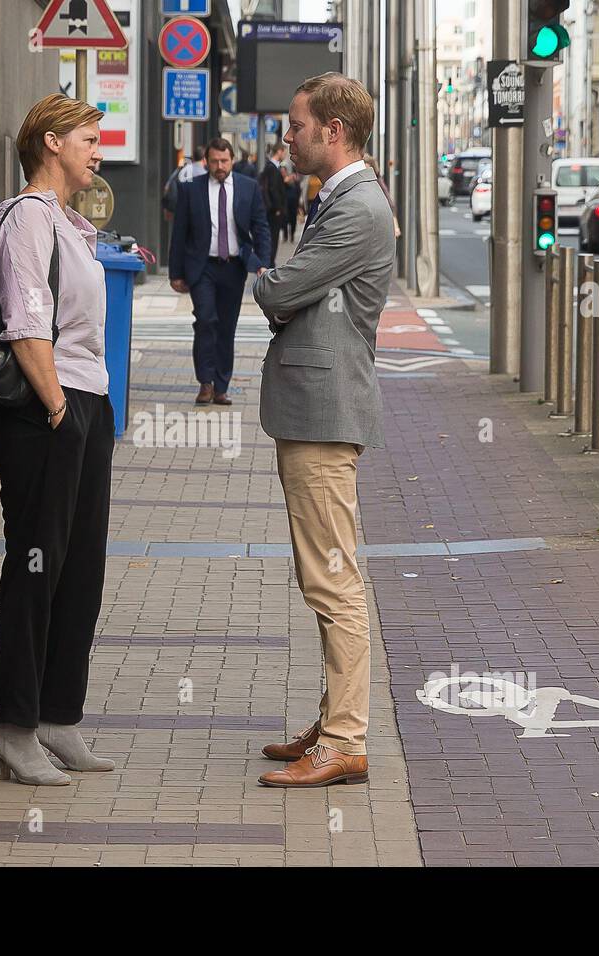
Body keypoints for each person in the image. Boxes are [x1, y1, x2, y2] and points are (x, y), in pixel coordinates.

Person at [252, 73, 394, 789]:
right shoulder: (337, 197)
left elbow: (281, 289)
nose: (288, 135)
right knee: (323, 574)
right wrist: (291, 293)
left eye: (297, 125)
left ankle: (344, 739)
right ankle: (334, 718)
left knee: (333, 579)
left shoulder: (358, 207)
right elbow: (299, 292)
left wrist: (269, 288)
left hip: (324, 408)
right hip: (314, 403)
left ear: (333, 130)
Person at [0, 93, 116, 786]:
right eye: (89, 138)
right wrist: (61, 408)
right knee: (36, 568)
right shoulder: (27, 219)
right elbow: (26, 323)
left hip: (84, 404)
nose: (99, 148)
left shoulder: (66, 221)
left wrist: (85, 410)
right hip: (46, 411)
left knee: (80, 568)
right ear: (51, 143)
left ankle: (60, 718)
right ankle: (13, 730)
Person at [169, 137, 271, 406]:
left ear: (232, 160)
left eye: (224, 161)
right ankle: (205, 382)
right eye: (214, 161)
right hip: (202, 267)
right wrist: (175, 273)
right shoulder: (192, 190)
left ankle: (222, 386)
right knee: (205, 320)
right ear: (207, 161)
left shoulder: (248, 188)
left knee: (227, 327)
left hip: (234, 267)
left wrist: (262, 262)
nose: (219, 166)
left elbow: (261, 226)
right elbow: (179, 233)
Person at [259, 143, 289, 267]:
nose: (285, 155)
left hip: (272, 209)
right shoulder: (272, 168)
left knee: (272, 237)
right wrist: (277, 208)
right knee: (273, 237)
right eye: (285, 152)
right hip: (273, 211)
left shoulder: (272, 167)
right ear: (279, 151)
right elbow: (272, 189)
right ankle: (269, 263)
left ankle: (269, 262)